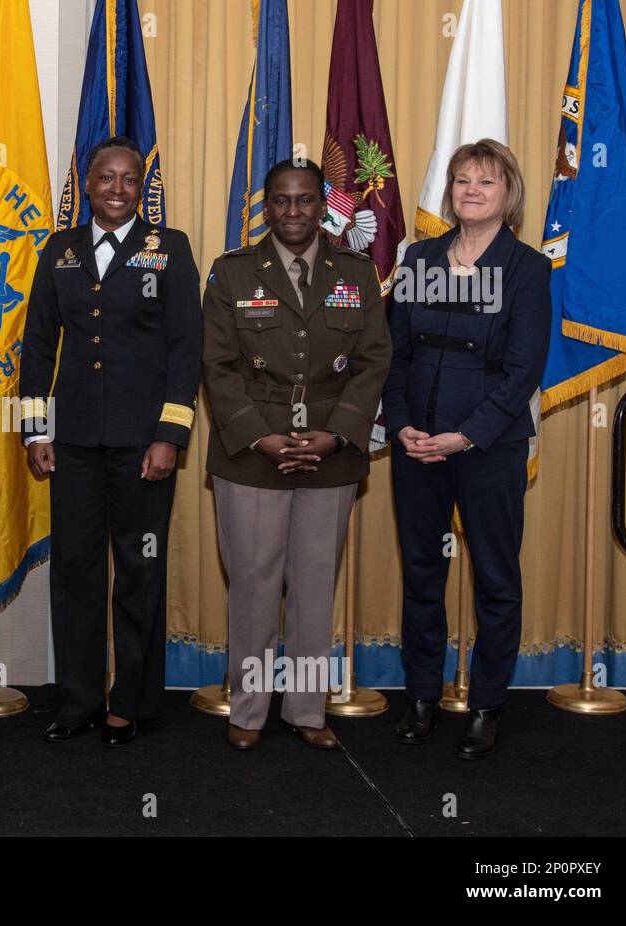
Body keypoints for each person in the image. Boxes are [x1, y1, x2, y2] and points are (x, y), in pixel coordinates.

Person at [202, 158, 390, 751]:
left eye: (304, 200)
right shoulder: (232, 273)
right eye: (280, 201)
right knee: (255, 585)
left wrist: (336, 433)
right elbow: (216, 365)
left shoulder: (356, 272)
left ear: (321, 204)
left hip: (331, 451)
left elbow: (374, 361)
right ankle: (250, 709)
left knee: (313, 585)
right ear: (267, 206)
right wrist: (261, 435)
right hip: (252, 452)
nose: (292, 212)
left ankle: (308, 711)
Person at [19, 136, 201, 747]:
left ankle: (133, 702)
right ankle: (76, 701)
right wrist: (35, 428)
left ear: (140, 186)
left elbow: (186, 349)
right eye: (105, 178)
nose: (117, 190)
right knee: (75, 571)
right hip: (71, 441)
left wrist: (170, 434)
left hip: (143, 443)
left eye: (128, 179)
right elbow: (38, 345)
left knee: (139, 571)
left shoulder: (168, 249)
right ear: (87, 184)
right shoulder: (60, 251)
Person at [385, 139, 550, 759]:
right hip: (416, 444)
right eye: (461, 181)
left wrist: (466, 436)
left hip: (489, 446)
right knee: (423, 573)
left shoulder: (527, 268)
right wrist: (401, 426)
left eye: (485, 181)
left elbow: (523, 370)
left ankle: (486, 704)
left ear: (508, 195)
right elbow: (395, 353)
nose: (471, 190)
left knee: (496, 579)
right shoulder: (417, 258)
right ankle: (422, 696)